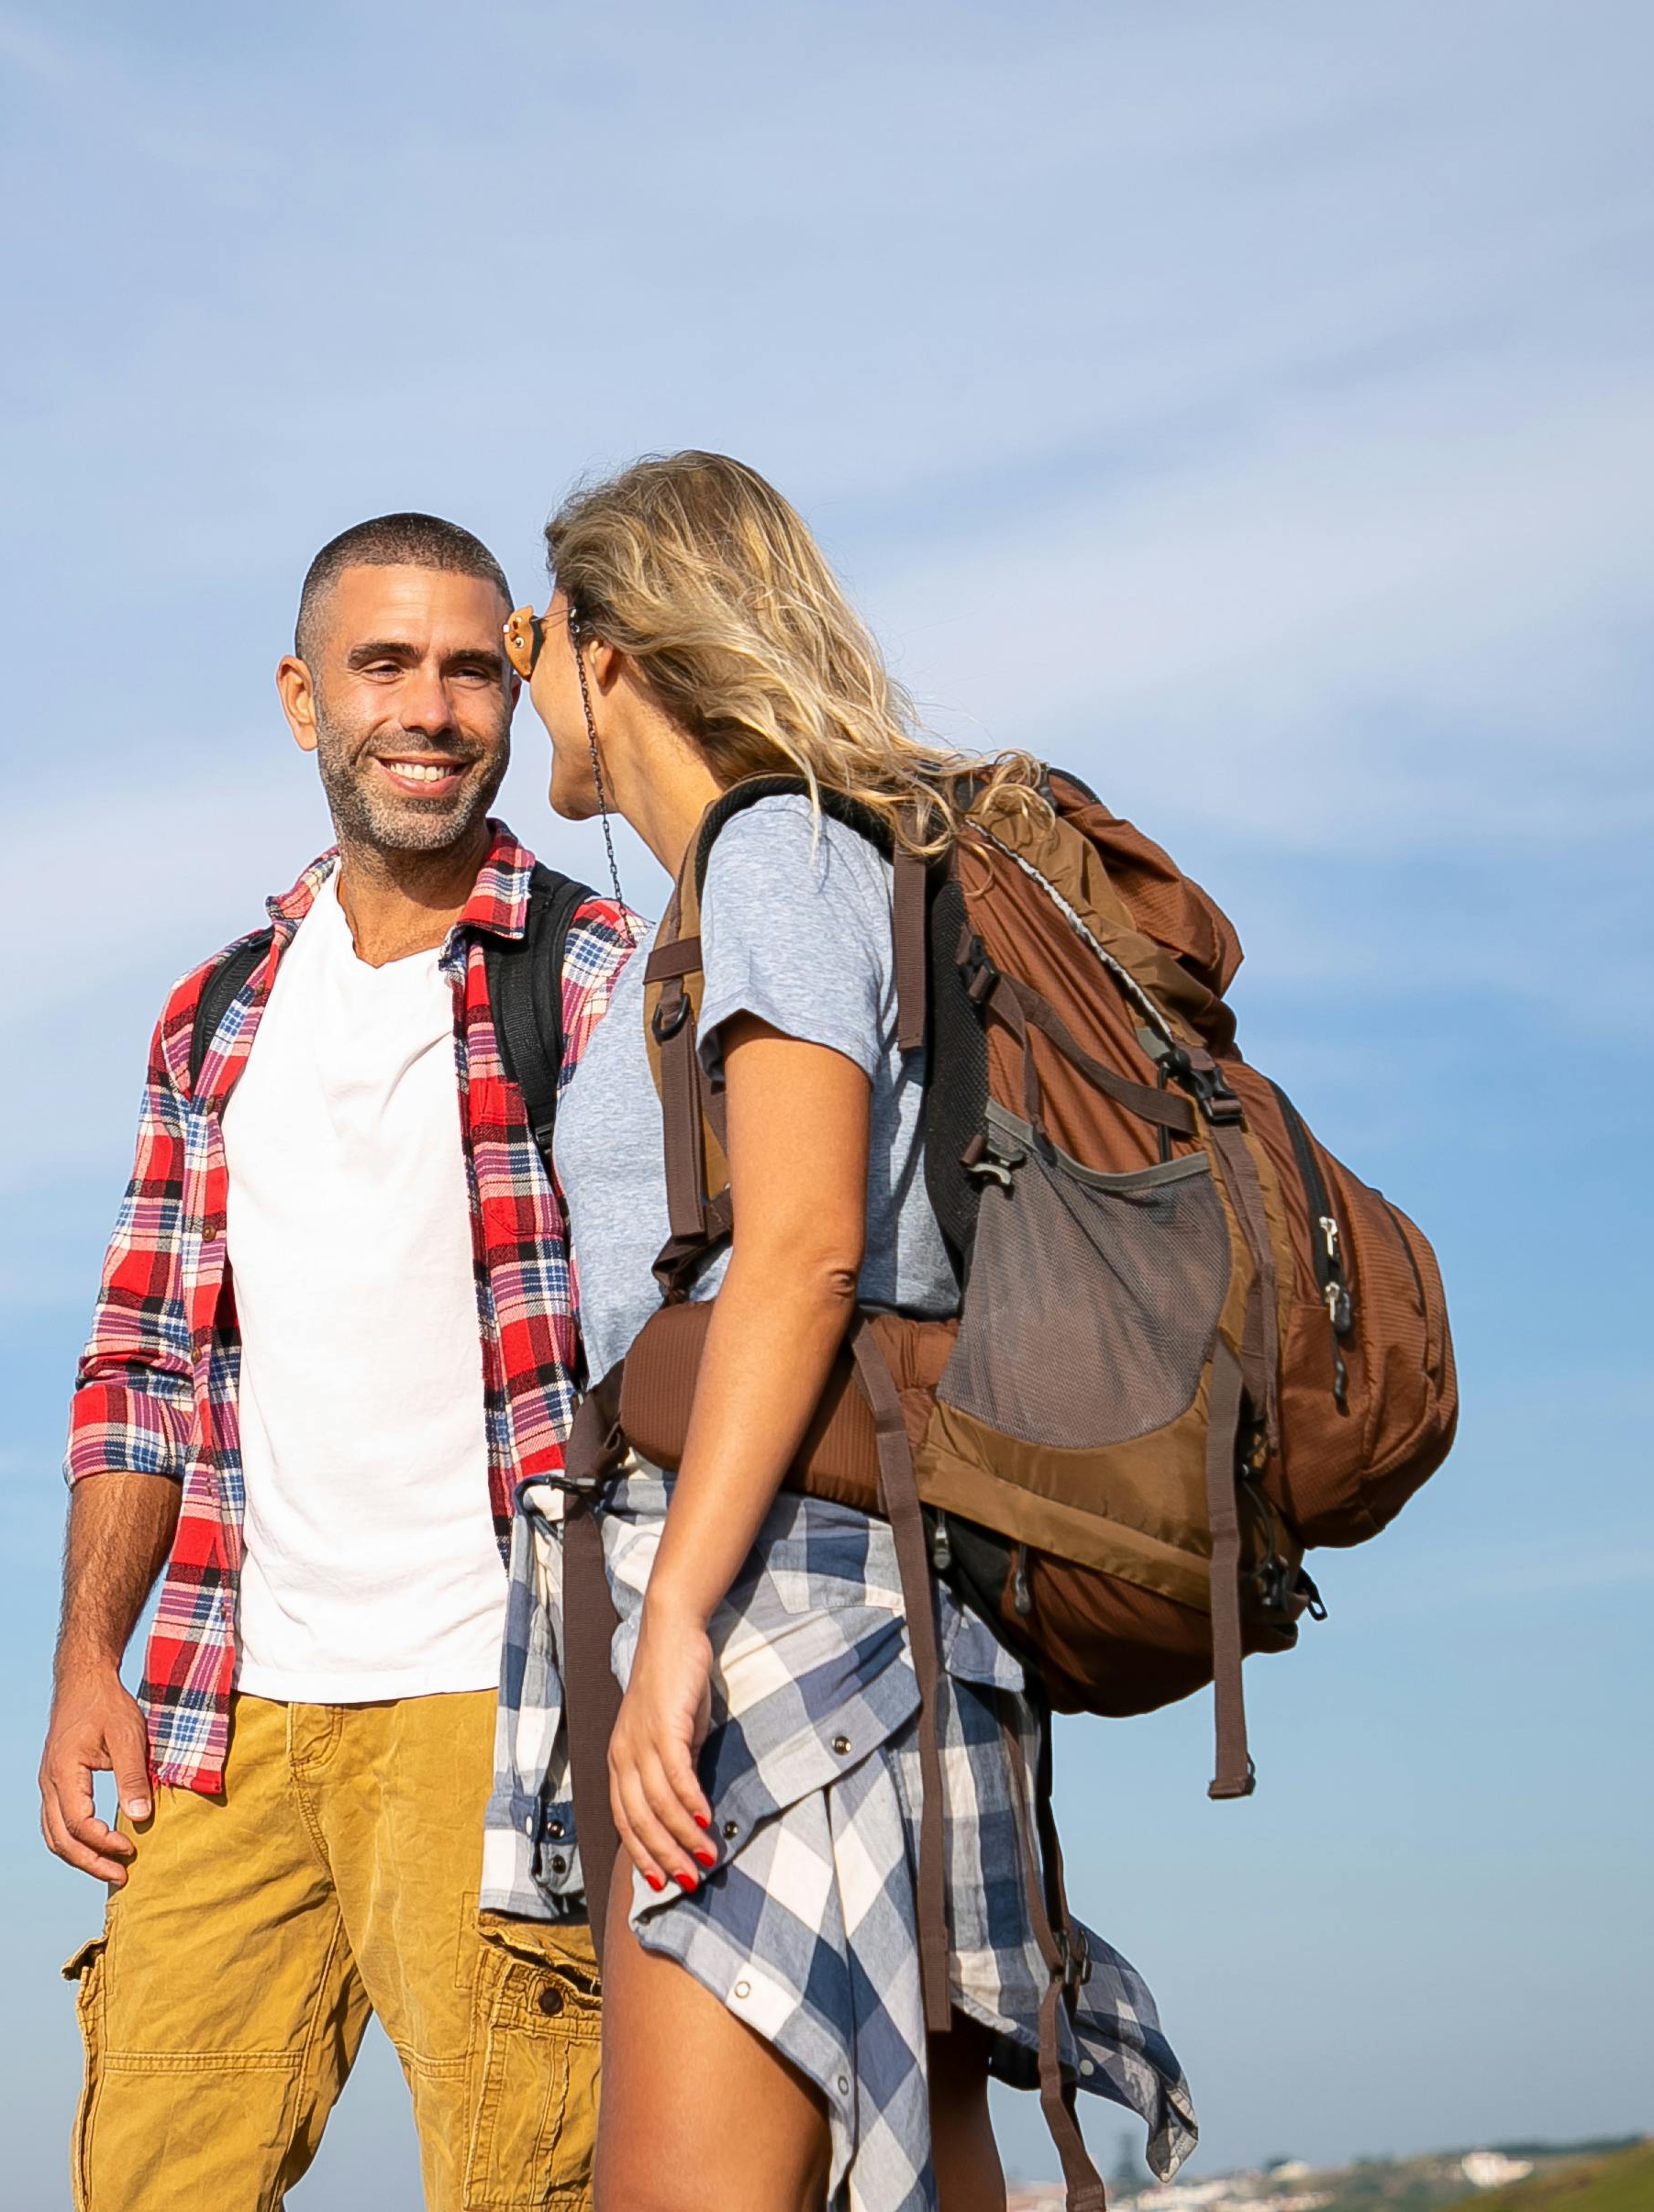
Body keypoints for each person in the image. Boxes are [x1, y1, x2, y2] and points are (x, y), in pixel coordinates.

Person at [480, 454, 1196, 2212]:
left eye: (526, 635)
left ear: (616, 646)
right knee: (922, 2162)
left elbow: (796, 1255)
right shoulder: (784, 863)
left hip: (776, 1605)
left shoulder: (775, 851)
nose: (512, 680)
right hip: (852, 1587)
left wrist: (673, 1637)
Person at [42, 512, 643, 2210]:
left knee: (528, 2178)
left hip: (495, 1698)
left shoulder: (592, 978)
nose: (431, 709)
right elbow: (144, 1362)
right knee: (150, 2181)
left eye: (472, 667)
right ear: (305, 696)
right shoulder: (215, 1014)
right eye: (386, 665)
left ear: (517, 691)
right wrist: (93, 1659)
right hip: (228, 1717)